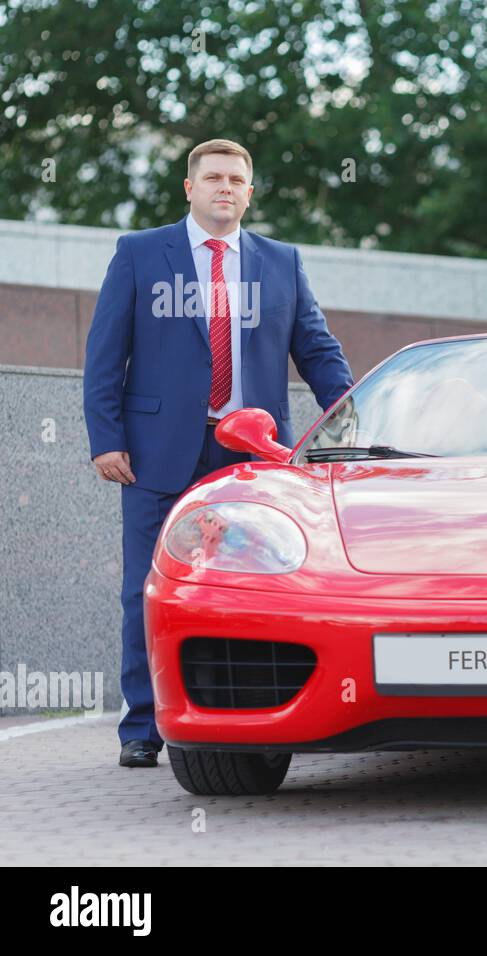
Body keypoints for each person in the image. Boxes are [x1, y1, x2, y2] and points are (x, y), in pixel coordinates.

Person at [83, 138, 354, 768]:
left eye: (236, 179)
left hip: (252, 456)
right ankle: (144, 727)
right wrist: (106, 439)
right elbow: (105, 354)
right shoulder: (139, 254)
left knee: (257, 586)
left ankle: (247, 712)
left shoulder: (281, 262)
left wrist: (352, 426)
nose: (224, 188)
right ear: (189, 187)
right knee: (146, 589)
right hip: (154, 452)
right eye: (212, 178)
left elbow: (317, 351)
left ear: (249, 192)